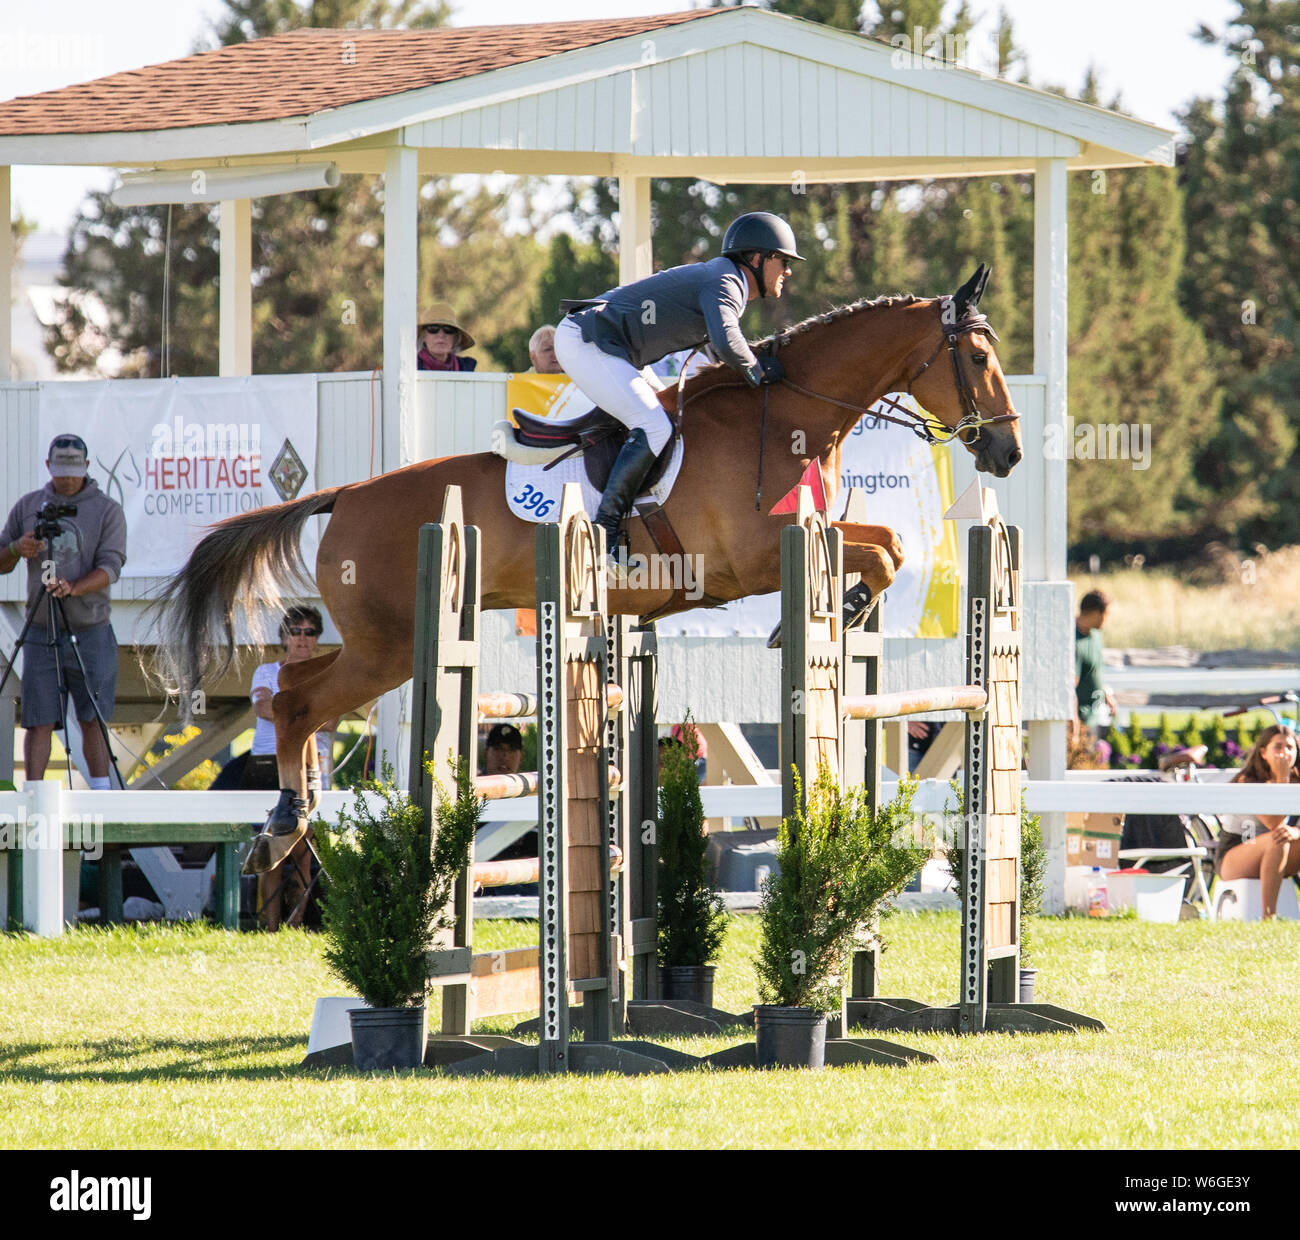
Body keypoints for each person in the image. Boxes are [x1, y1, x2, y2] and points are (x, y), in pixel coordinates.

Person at [553, 211, 803, 570]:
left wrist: (751, 375)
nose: (788, 271)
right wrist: (760, 371)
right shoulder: (725, 282)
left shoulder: (725, 280)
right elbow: (728, 344)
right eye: (783, 261)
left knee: (665, 416)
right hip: (587, 341)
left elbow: (720, 352)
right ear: (757, 258)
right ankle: (602, 536)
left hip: (610, 346)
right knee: (654, 425)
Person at [0, 433, 127, 788]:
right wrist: (16, 547)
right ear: (48, 467)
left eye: (73, 470)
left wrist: (74, 587)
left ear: (86, 467)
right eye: (60, 470)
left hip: (91, 628)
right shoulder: (29, 506)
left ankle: (101, 797)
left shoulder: (106, 510)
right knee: (38, 718)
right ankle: (34, 798)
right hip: (41, 629)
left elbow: (112, 567)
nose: (66, 478)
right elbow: (1, 560)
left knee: (93, 717)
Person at [248, 605, 337, 931]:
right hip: (269, 765)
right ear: (284, 637)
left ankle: (296, 924)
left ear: (317, 638)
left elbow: (330, 721)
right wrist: (303, 715)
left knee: (303, 852)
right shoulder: (266, 671)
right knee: (272, 849)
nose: (301, 638)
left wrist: (284, 709)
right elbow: (260, 706)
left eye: (309, 631)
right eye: (295, 631)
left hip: (314, 768)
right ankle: (271, 929)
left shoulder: (326, 672)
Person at [1217, 724, 1300, 919]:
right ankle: (1268, 917)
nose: (1284, 753)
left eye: (1289, 747)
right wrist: (1282, 778)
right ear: (1263, 752)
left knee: (1282, 839)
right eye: (1278, 747)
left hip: (1278, 854)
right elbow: (1273, 823)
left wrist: (1297, 832)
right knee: (1277, 839)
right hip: (1236, 853)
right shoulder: (1248, 781)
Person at [1073, 589, 1115, 738]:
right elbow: (1071, 685)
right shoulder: (1073, 640)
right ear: (1097, 613)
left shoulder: (1096, 635)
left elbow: (1093, 669)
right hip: (1080, 720)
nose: (1107, 619)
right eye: (1106, 615)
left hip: (1096, 715)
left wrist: (1105, 692)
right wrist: (1074, 722)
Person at [417, 301, 477, 372]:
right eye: (433, 328)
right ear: (423, 336)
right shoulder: (410, 366)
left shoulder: (466, 368)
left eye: (448, 329)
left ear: (455, 338)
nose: (441, 334)